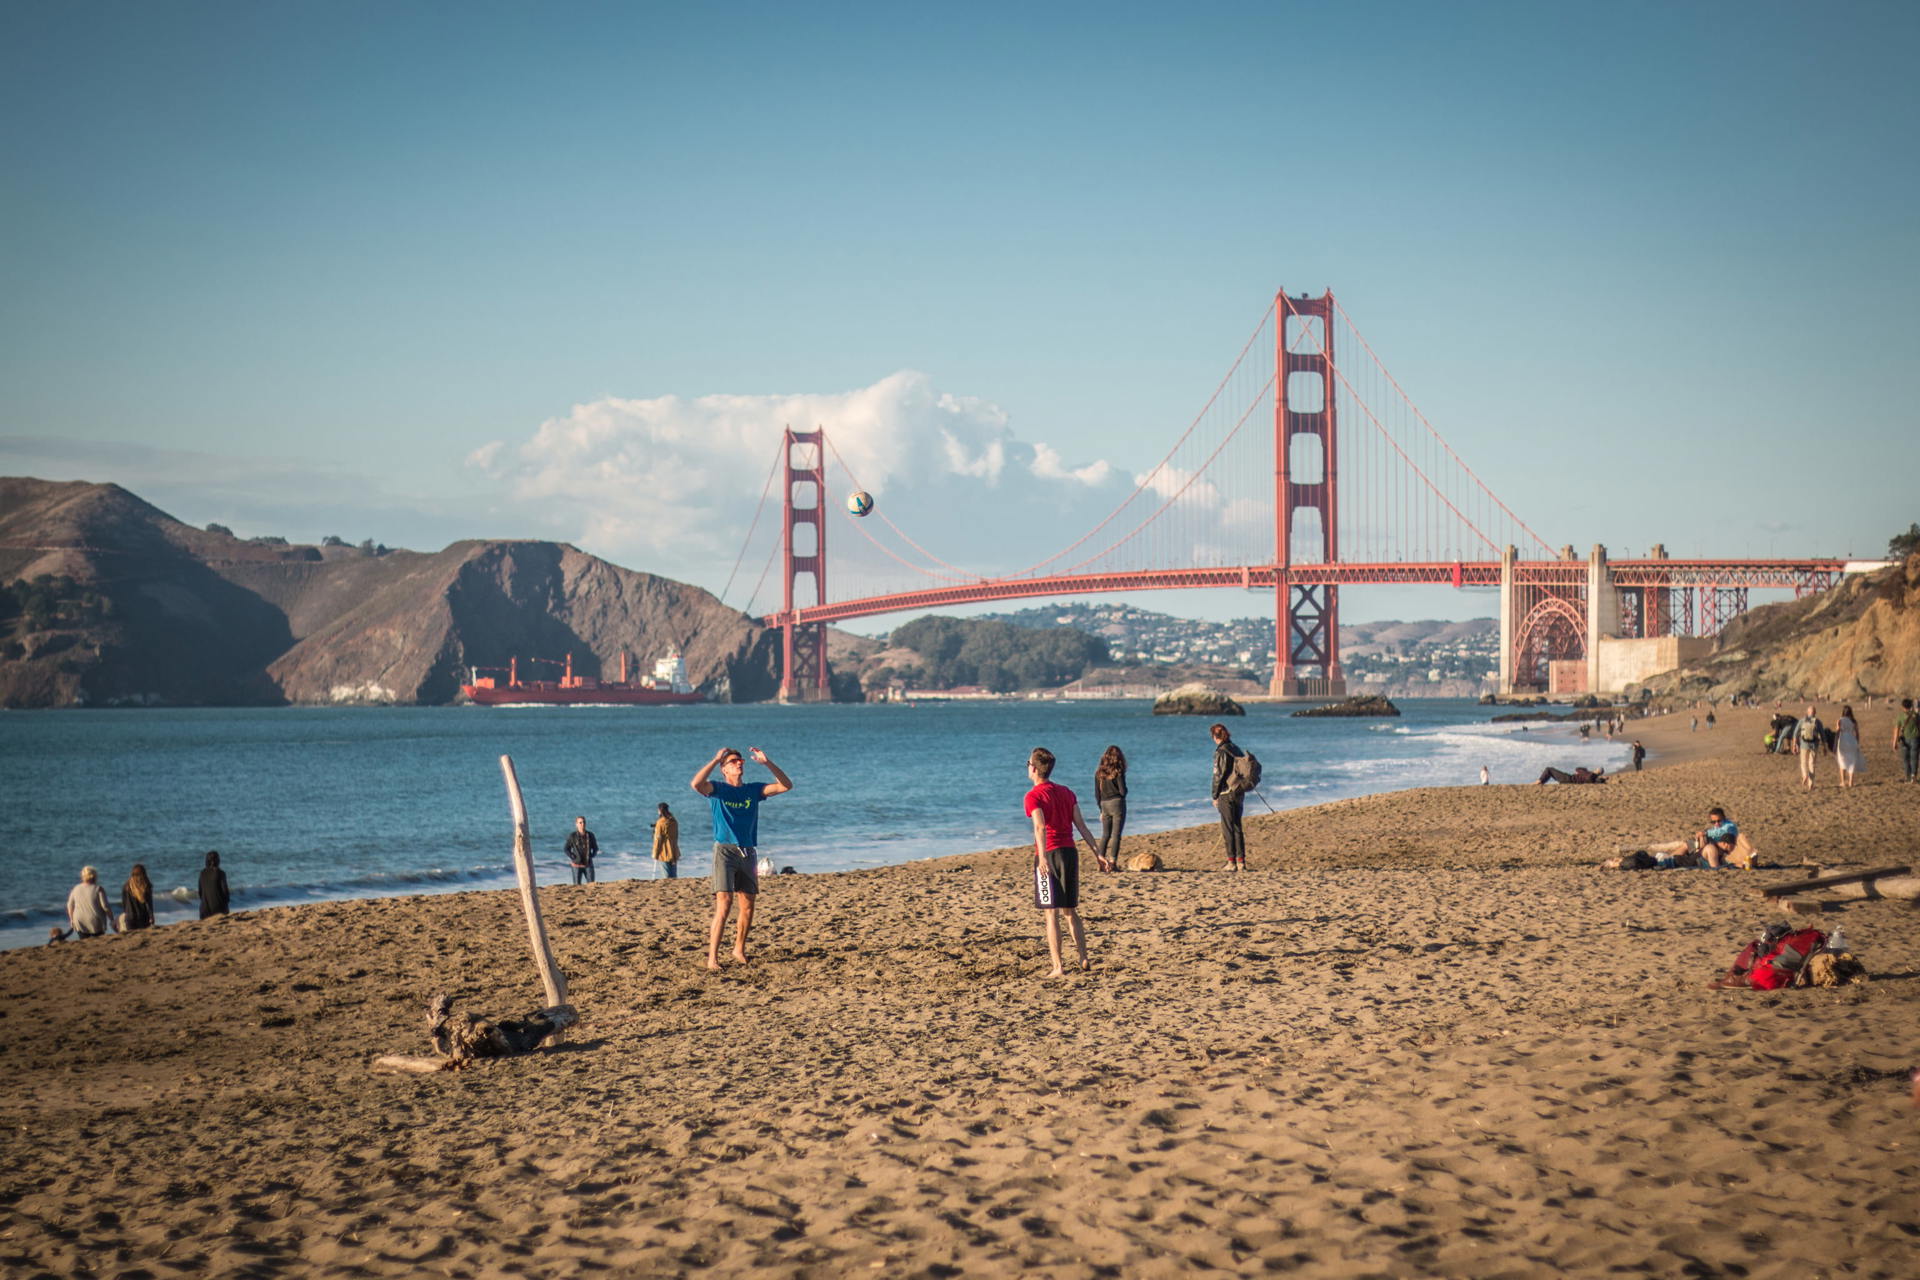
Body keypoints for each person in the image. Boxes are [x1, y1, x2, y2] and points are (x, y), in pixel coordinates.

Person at [691, 745, 793, 969]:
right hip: (725, 851)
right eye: (733, 761)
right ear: (724, 769)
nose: (739, 763)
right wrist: (714, 758)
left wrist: (767, 763)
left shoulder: (753, 790)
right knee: (724, 904)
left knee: (747, 905)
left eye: (741, 761)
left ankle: (739, 949)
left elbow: (786, 785)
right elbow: (696, 784)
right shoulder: (716, 789)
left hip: (748, 851)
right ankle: (712, 959)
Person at [1024, 746, 1100, 977]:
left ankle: (1058, 966)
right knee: (1070, 910)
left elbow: (1039, 826)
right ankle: (1083, 957)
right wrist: (1098, 852)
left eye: (1028, 764)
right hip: (1069, 853)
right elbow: (1081, 826)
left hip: (1049, 854)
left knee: (1051, 913)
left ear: (1034, 769)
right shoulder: (1067, 792)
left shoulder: (1033, 796)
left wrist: (1043, 858)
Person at [1210, 723, 1249, 871]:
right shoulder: (1235, 748)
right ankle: (1241, 861)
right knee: (1237, 826)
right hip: (1239, 791)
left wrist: (1215, 795)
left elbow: (1218, 775)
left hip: (1227, 793)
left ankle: (1231, 861)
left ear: (1215, 737)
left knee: (1228, 827)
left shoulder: (1221, 751)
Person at [1091, 746, 1126, 873]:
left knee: (1105, 835)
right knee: (1116, 835)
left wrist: (1100, 809)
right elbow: (1122, 791)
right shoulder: (1118, 771)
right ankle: (1112, 863)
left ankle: (1101, 863)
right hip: (1117, 803)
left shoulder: (1098, 773)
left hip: (1104, 804)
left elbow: (1097, 794)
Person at [66, 866, 115, 937]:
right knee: (98, 939)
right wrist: (112, 919)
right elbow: (105, 906)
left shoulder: (76, 888)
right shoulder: (98, 889)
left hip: (79, 920)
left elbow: (69, 905)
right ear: (95, 876)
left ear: (83, 876)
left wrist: (71, 919)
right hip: (95, 920)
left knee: (83, 940)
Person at [1833, 704, 1864, 788]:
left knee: (1842, 760)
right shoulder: (1854, 721)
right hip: (1851, 740)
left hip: (1843, 740)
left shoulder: (1840, 720)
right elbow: (1857, 733)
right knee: (1851, 761)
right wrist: (1857, 742)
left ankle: (1843, 781)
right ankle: (1851, 782)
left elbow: (1837, 730)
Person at [1795, 705, 1824, 790]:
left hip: (1804, 744)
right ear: (1815, 713)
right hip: (1814, 745)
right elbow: (1823, 734)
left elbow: (1795, 733)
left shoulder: (1802, 720)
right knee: (1812, 764)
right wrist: (1825, 746)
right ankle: (1811, 784)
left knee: (1803, 762)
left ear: (1807, 713)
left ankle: (1805, 775)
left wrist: (1794, 744)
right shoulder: (1818, 722)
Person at [564, 815, 599, 885]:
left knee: (591, 885)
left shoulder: (590, 835)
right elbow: (566, 848)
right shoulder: (572, 836)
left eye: (584, 822)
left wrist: (592, 855)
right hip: (576, 865)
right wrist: (572, 856)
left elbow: (595, 848)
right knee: (577, 886)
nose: (582, 824)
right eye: (580, 822)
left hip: (588, 864)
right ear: (576, 824)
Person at [121, 863, 155, 931]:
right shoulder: (146, 885)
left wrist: (125, 913)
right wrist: (151, 916)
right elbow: (149, 904)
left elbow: (124, 903)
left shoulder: (126, 886)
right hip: (143, 917)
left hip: (129, 917)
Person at [1894, 697, 1920, 783]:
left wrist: (1895, 742)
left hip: (1904, 740)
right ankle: (1914, 777)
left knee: (1906, 759)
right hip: (1915, 739)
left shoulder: (1900, 716)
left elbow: (1896, 730)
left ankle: (1907, 777)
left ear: (1902, 706)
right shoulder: (1916, 715)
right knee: (1914, 758)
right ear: (1911, 706)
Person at [652, 801, 680, 879]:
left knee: (666, 876)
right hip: (674, 850)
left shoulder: (660, 823)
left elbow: (658, 839)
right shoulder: (674, 821)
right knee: (673, 874)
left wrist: (655, 853)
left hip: (664, 851)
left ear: (660, 810)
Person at [198, 851, 230, 918]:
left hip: (204, 911)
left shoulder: (202, 873)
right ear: (217, 861)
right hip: (218, 910)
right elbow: (225, 892)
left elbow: (200, 893)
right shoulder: (220, 873)